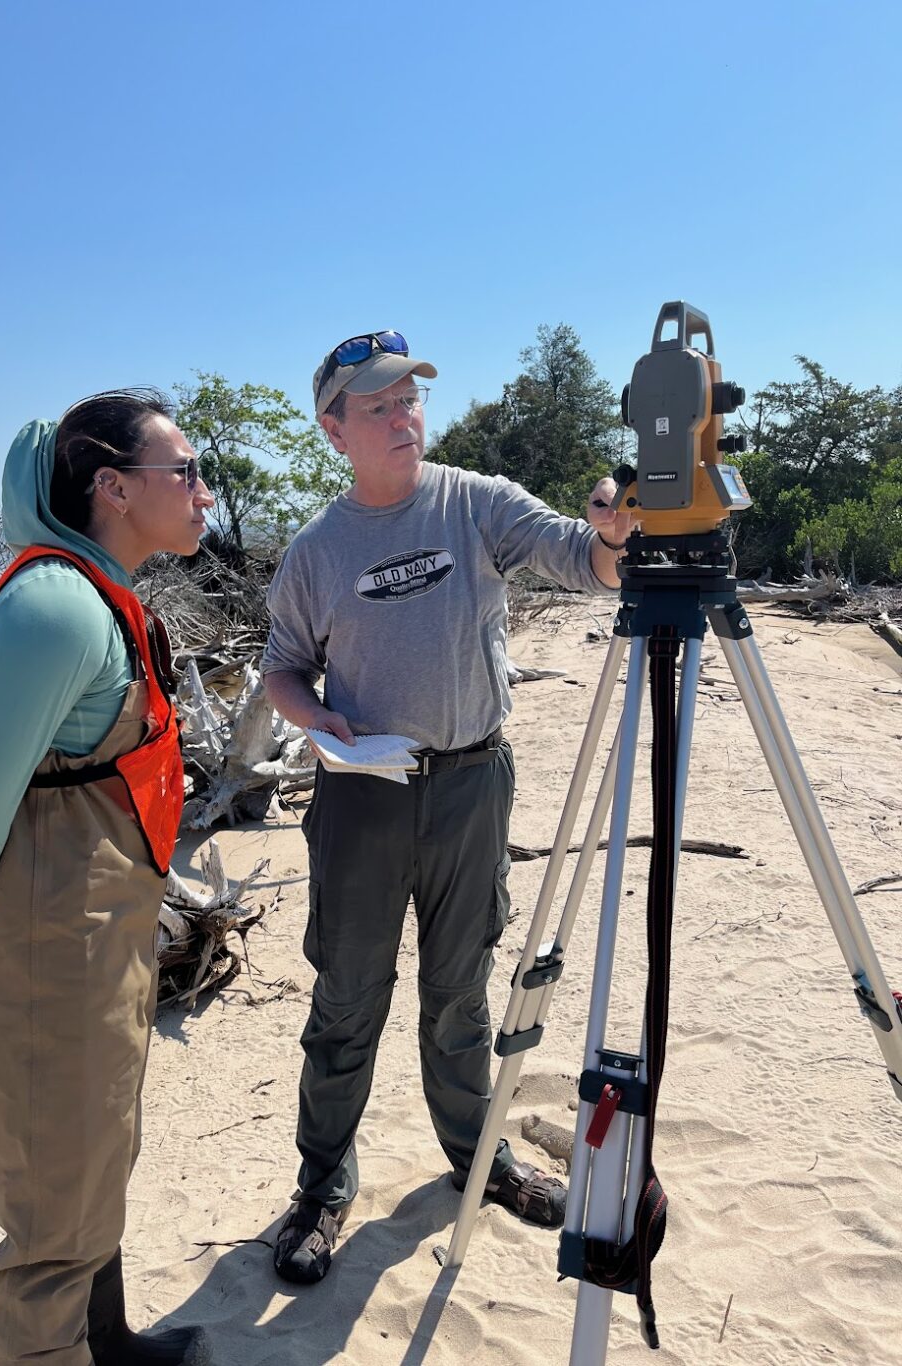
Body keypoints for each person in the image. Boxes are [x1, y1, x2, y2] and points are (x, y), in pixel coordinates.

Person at [261, 330, 634, 1284]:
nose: (403, 417)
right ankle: (320, 1188)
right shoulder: (316, 551)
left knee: (461, 991)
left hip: (472, 783)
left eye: (410, 399)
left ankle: (479, 1161)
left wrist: (612, 533)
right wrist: (318, 720)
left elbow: (582, 561)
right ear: (334, 430)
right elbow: (282, 669)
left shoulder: (476, 502)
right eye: (378, 406)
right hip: (362, 797)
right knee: (346, 997)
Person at [0, 391, 216, 1366]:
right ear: (114, 488)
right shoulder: (56, 605)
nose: (202, 491)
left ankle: (106, 1343)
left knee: (91, 1164)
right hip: (51, 954)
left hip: (92, 940)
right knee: (50, 1222)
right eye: (184, 471)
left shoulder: (89, 595)